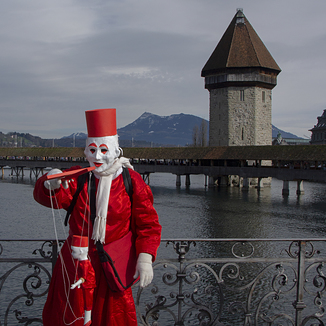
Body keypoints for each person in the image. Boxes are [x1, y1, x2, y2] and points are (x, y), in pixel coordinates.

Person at [34, 108, 162, 326]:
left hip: (113, 264)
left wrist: (145, 257)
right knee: (71, 316)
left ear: (115, 150)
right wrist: (50, 182)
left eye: (103, 150)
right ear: (86, 151)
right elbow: (49, 197)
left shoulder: (131, 181)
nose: (98, 156)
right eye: (92, 150)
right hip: (77, 262)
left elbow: (148, 224)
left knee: (112, 318)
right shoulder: (79, 178)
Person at [70, 235, 96, 326]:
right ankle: (86, 320)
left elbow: (83, 278)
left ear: (81, 251)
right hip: (85, 286)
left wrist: (76, 284)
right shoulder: (81, 262)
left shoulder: (84, 264)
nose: (72, 254)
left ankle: (87, 321)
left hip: (88, 286)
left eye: (74, 251)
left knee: (87, 304)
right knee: (85, 303)